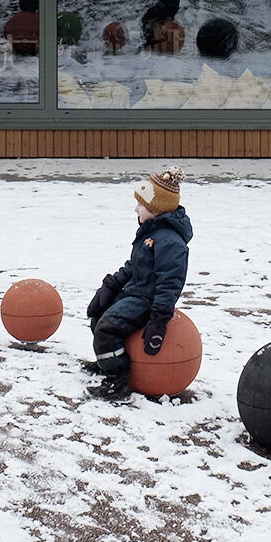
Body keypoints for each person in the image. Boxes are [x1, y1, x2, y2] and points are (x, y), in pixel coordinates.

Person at [84, 167, 193, 400]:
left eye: (140, 205)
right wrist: (112, 284)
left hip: (147, 300)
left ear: (156, 208)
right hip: (134, 292)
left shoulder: (170, 242)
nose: (136, 209)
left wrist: (159, 318)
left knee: (107, 328)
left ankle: (118, 381)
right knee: (99, 316)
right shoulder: (150, 233)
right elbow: (134, 265)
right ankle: (107, 361)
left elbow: (170, 283)